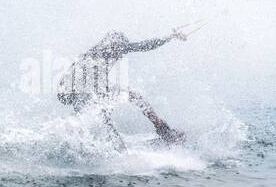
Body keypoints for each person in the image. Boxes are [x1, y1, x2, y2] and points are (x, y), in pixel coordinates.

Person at [57, 29, 186, 148]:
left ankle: (101, 140)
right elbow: (144, 46)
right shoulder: (113, 46)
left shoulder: (89, 54)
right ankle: (164, 131)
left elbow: (64, 87)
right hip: (83, 90)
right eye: (122, 51)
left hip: (73, 90)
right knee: (129, 99)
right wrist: (170, 37)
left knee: (101, 112)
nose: (122, 55)